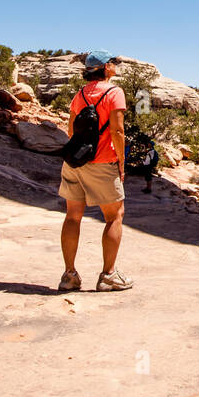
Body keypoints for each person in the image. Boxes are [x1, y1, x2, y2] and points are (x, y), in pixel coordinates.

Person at [57, 50, 133, 292]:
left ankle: (69, 275)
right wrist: (121, 161)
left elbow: (70, 130)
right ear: (106, 67)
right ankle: (108, 275)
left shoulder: (79, 94)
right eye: (113, 63)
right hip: (103, 163)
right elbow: (117, 131)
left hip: (75, 162)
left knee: (72, 216)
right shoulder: (114, 92)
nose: (116, 66)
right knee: (114, 216)